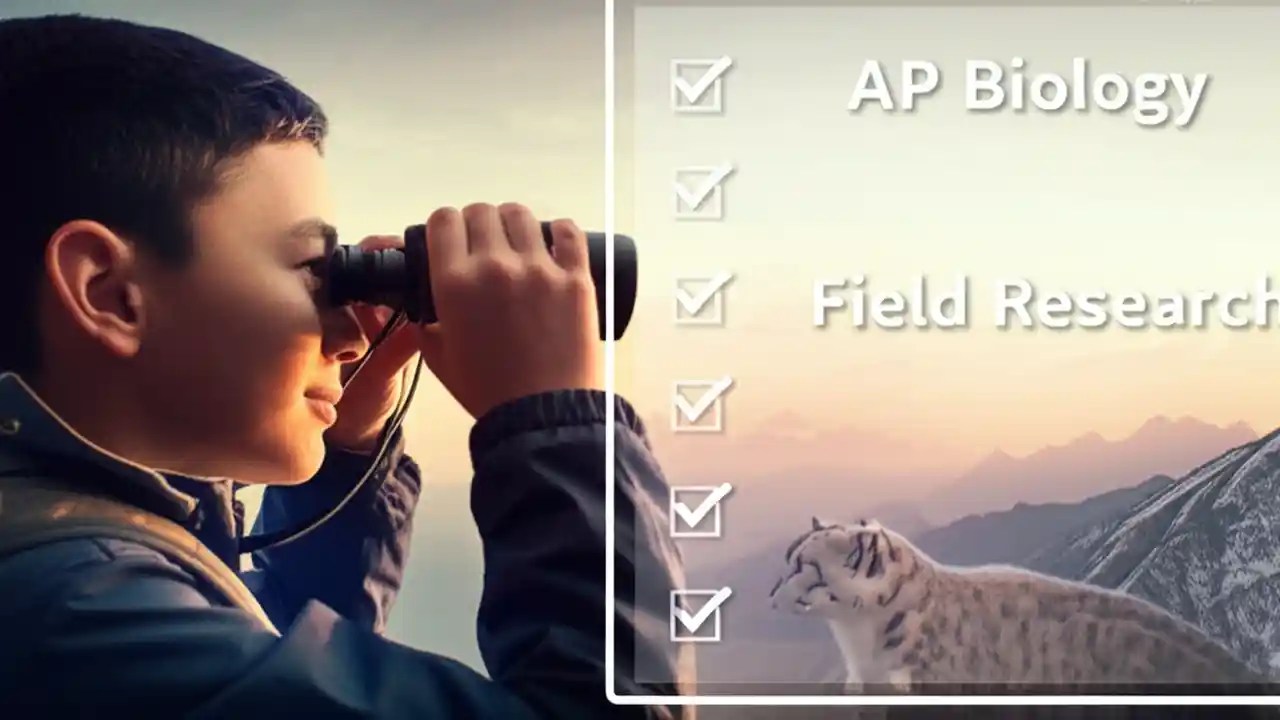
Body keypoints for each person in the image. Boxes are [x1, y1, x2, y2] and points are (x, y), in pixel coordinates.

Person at [0, 13, 688, 718]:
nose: (349, 332)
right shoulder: (76, 616)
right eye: (312, 270)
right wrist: (555, 418)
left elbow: (266, 664)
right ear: (109, 294)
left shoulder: (74, 590)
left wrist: (348, 457)